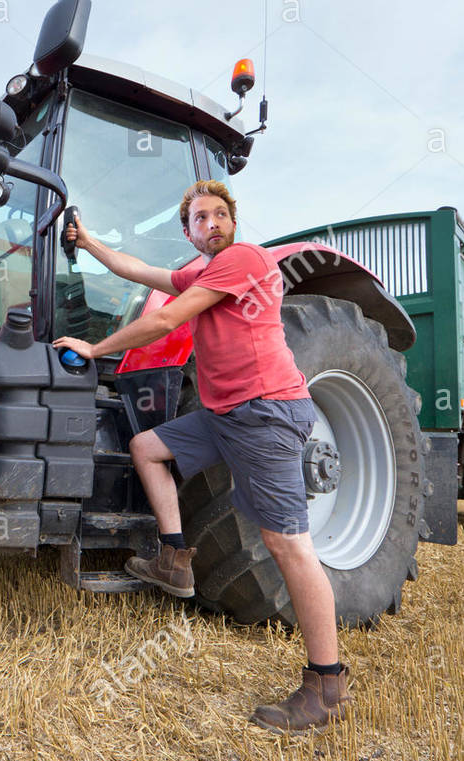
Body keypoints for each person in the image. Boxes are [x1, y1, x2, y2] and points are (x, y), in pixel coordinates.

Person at [52, 180, 348, 733]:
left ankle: (326, 684)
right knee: (147, 447)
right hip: (224, 415)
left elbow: (165, 320)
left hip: (265, 413)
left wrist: (94, 348)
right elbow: (139, 271)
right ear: (188, 232)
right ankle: (174, 557)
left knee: (287, 543)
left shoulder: (242, 260)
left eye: (218, 214)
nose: (210, 223)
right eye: (198, 218)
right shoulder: (203, 271)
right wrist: (90, 244)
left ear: (232, 224)